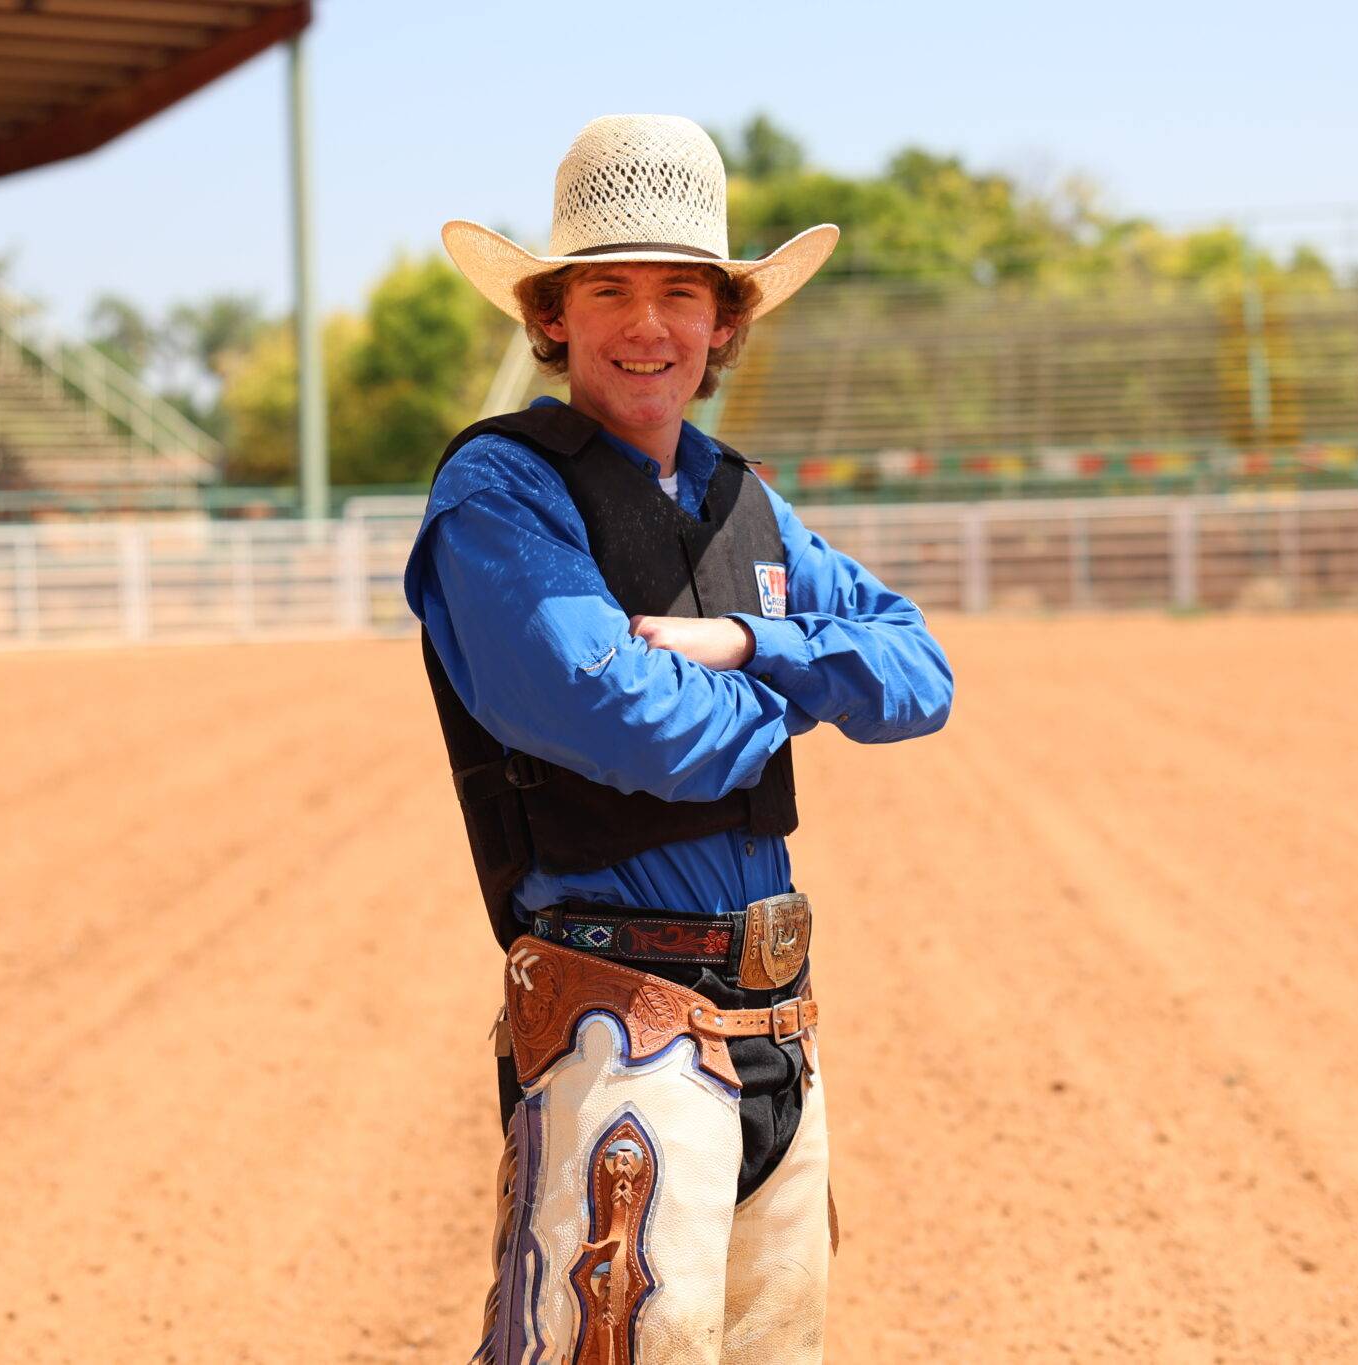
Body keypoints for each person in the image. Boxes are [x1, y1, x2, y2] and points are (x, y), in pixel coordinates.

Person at [406, 114, 954, 1365]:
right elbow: (628, 724)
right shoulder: (500, 491)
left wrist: (751, 648)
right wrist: (812, 686)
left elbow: (921, 674)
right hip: (617, 1028)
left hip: (779, 1029)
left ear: (722, 321)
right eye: (608, 288)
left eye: (679, 292)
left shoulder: (741, 500)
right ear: (551, 317)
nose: (645, 324)